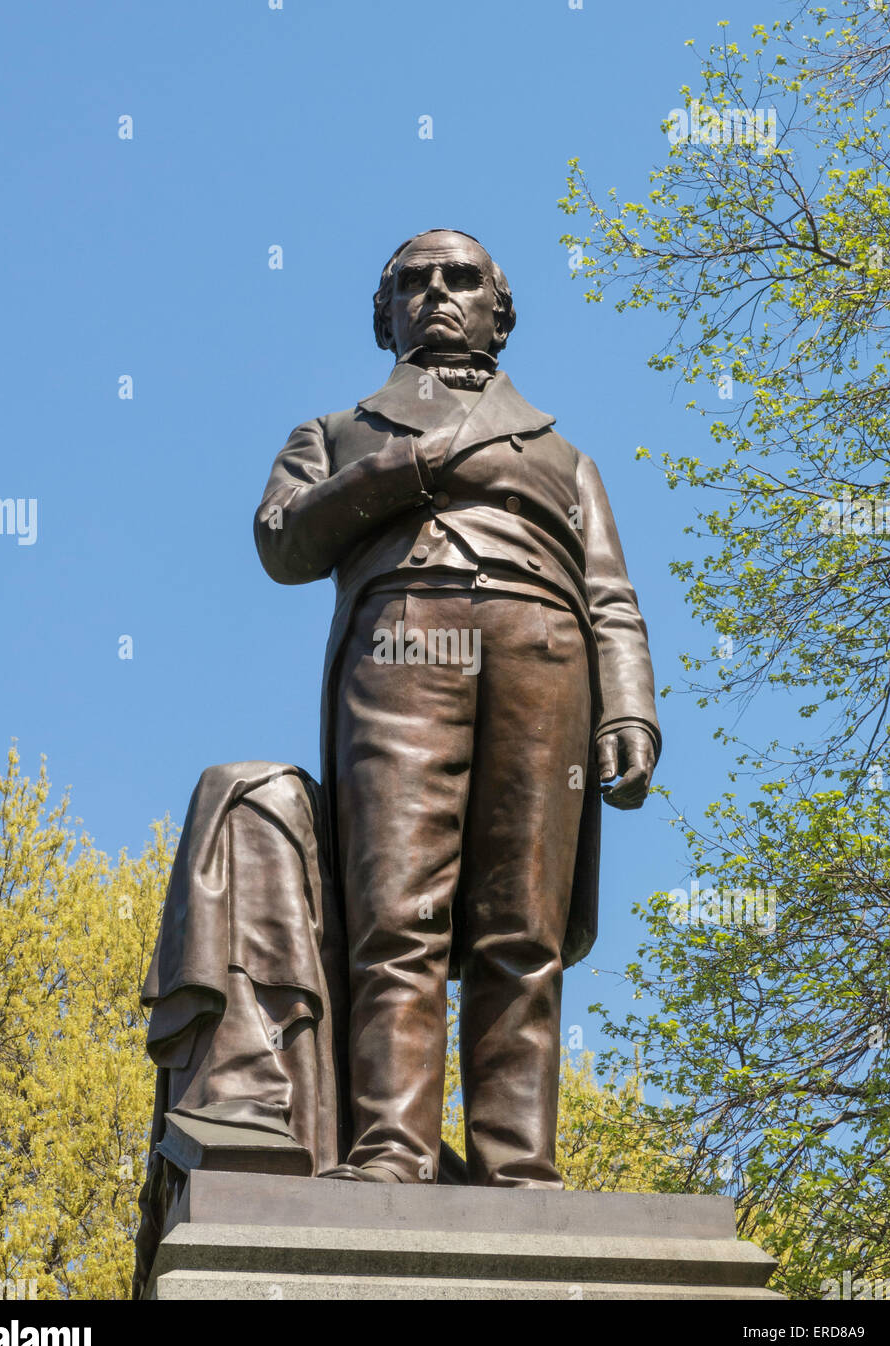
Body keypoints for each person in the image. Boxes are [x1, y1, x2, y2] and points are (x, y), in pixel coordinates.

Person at [254, 229, 660, 1187]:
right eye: (412, 281)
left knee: (522, 923)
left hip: (542, 654)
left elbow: (609, 593)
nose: (437, 293)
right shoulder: (337, 433)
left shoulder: (561, 452)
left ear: (499, 312)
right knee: (398, 907)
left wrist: (630, 710)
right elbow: (280, 544)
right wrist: (401, 472)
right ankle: (391, 1148)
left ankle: (518, 1165)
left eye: (461, 278)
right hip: (404, 644)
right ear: (384, 313)